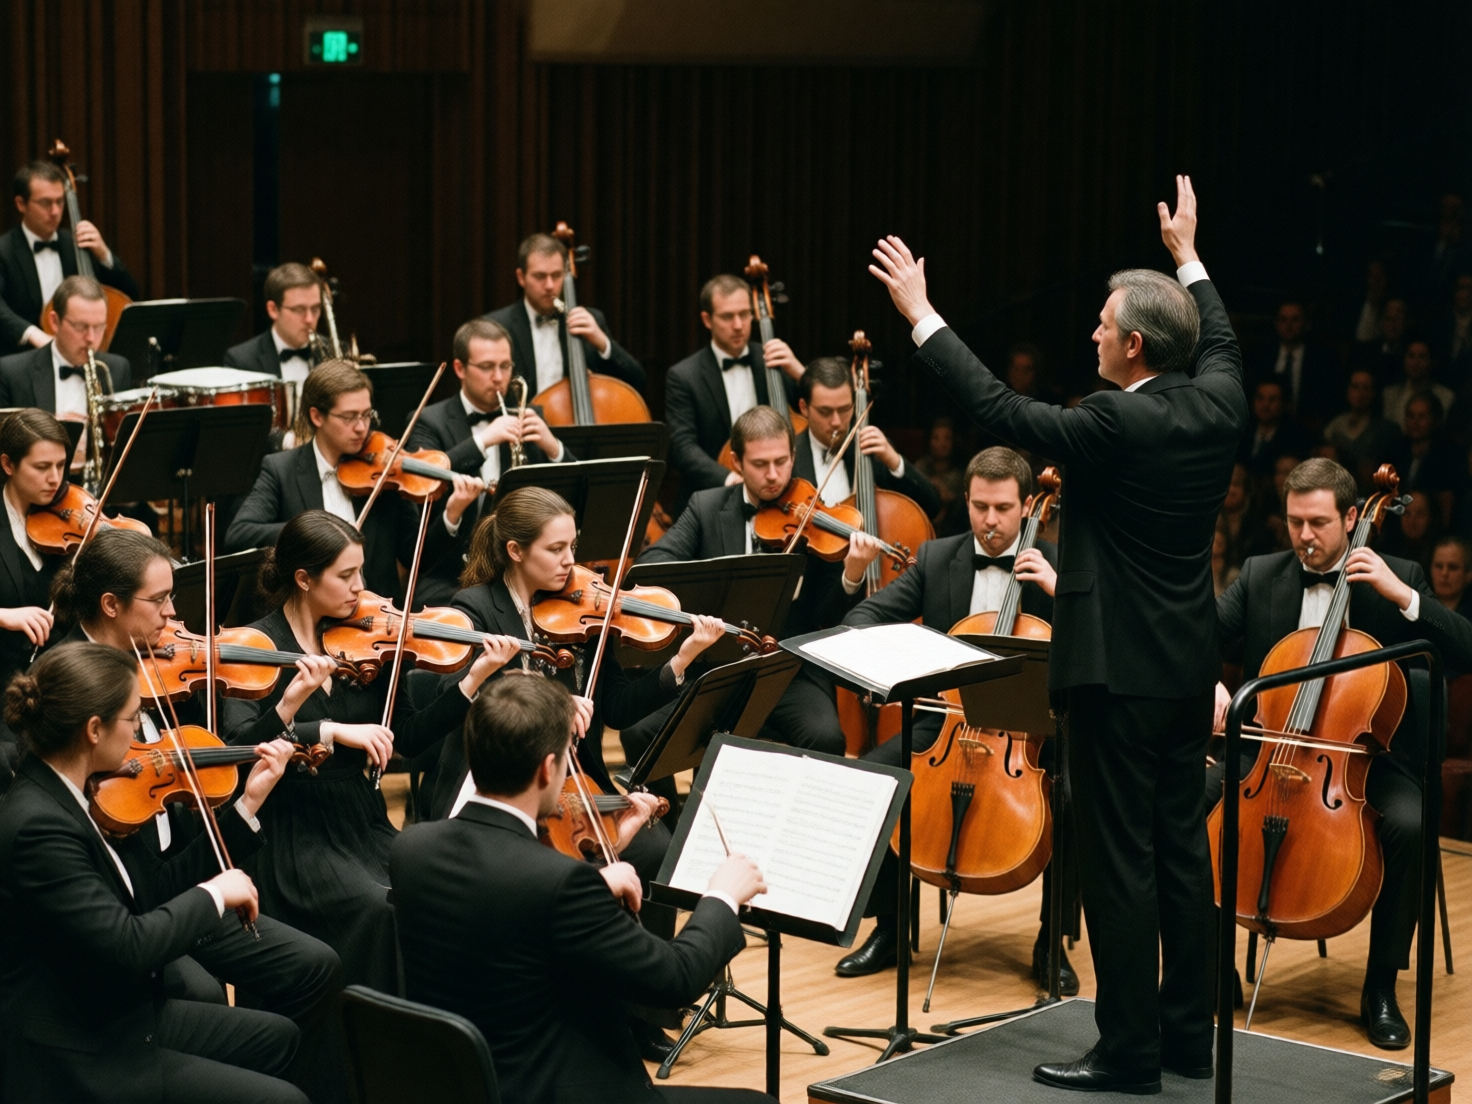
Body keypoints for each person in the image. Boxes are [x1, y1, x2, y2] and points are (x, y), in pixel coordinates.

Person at [871, 175, 1244, 1093]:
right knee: (1182, 857)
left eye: (1101, 326)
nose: (1088, 336)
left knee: (1121, 868)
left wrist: (923, 316)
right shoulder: (1222, 399)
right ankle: (1190, 1041)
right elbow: (1224, 336)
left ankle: (1128, 1055)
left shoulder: (1114, 419)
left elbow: (1003, 412)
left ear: (1132, 345)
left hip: (1113, 672)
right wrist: (1189, 255)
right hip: (1186, 668)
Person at [49, 525, 349, 1101]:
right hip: (135, 904)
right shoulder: (71, 689)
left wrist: (281, 716)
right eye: (159, 600)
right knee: (206, 995)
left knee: (317, 966)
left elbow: (196, 768)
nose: (173, 616)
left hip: (183, 873)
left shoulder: (153, 665)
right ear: (111, 605)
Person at [392, 673, 776, 1104]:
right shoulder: (557, 884)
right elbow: (675, 977)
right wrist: (721, 897)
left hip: (468, 1086)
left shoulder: (411, 849)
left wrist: (600, 859)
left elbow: (505, 899)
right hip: (558, 1089)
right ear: (547, 768)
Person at [1210, 458, 1472, 1049]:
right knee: (1189, 799)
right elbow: (1193, 631)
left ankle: (1379, 986)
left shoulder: (1395, 574)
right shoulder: (1260, 575)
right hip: (1274, 755)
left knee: (1409, 823)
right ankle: (1213, 970)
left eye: (1319, 523)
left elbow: (1463, 650)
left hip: (1367, 764)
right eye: (1295, 522)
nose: (1304, 537)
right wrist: (1213, 684)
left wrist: (1403, 595)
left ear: (1353, 517)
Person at [0, 643, 308, 1102]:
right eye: (131, 719)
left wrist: (248, 803)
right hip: (79, 1046)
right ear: (93, 730)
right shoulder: (38, 826)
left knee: (280, 1036)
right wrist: (216, 895)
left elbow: (155, 890)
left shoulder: (86, 790)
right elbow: (129, 945)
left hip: (115, 1012)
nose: (140, 734)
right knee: (284, 1100)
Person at [222, 510, 515, 990]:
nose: (362, 586)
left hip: (361, 817)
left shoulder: (367, 638)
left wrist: (473, 678)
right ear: (303, 578)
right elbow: (239, 751)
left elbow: (412, 736)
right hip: (292, 832)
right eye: (345, 575)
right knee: (379, 909)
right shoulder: (251, 646)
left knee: (435, 898)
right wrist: (321, 725)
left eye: (361, 571)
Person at [830, 447, 1075, 993]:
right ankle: (891, 928)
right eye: (980, 506)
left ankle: (1050, 940)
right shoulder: (938, 559)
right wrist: (912, 655)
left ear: (1026, 506)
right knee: (872, 780)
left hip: (1033, 732)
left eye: (1004, 509)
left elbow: (1102, 642)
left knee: (1074, 801)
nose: (991, 521)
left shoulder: (1062, 561)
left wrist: (1060, 592)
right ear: (965, 501)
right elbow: (864, 617)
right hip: (948, 723)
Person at [638, 405, 885, 757]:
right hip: (715, 666)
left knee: (827, 738)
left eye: (781, 462)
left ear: (793, 456)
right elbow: (652, 564)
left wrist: (853, 572)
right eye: (759, 464)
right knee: (639, 733)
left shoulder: (816, 515)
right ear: (737, 462)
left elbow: (826, 615)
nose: (773, 475)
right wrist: (711, 586)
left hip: (788, 669)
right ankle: (662, 811)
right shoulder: (705, 508)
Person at [225, 358, 482, 600]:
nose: (362, 427)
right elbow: (240, 534)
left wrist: (451, 514)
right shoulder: (281, 469)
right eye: (349, 417)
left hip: (378, 617)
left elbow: (416, 557)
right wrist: (315, 533)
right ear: (317, 416)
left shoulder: (386, 470)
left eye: (367, 414)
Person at [406, 317, 572, 603]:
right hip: (453, 573)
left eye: (505, 366)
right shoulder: (427, 421)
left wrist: (552, 445)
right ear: (460, 368)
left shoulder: (527, 415)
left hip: (523, 570)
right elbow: (426, 475)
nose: (498, 377)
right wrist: (482, 441)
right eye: (486, 367)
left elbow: (569, 490)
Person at [664, 273, 805, 510]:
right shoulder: (683, 376)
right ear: (707, 320)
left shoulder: (772, 361)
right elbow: (682, 446)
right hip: (711, 499)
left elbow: (816, 411)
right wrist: (731, 479)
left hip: (780, 500)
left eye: (744, 314)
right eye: (727, 317)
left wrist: (799, 372)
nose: (738, 325)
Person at [481, 232, 645, 398]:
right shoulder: (496, 328)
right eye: (540, 276)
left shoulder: (590, 322)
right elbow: (483, 396)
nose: (549, 285)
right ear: (521, 277)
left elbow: (637, 381)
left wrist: (603, 343)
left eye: (557, 275)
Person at [0, 160, 140, 350]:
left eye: (60, 201)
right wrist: (33, 333)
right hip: (27, 359)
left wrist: (103, 254)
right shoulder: (4, 250)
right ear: (20, 204)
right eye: (45, 203)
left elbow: (130, 295)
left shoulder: (77, 243)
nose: (56, 211)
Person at [792, 357, 941, 517]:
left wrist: (894, 462)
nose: (836, 422)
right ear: (804, 408)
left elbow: (932, 505)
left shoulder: (870, 451)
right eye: (825, 412)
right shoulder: (786, 455)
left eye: (844, 410)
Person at [0, 410, 68, 696]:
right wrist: (3, 615)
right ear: (8, 464)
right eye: (41, 467)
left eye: (61, 465)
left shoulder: (67, 518)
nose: (55, 479)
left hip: (62, 679)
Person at [0, 275, 131, 416]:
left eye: (99, 327)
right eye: (81, 326)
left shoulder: (117, 369)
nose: (91, 338)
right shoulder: (12, 373)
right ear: (55, 322)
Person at [223, 262, 324, 393]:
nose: (309, 319)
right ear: (273, 310)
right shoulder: (241, 361)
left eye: (315, 308)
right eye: (299, 309)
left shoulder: (333, 352)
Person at [1251, 299, 1340, 425]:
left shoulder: (1323, 359)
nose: (1288, 326)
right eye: (1283, 319)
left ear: (1306, 324)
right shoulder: (1262, 356)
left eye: (1295, 320)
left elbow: (1329, 402)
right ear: (1277, 324)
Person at [1321, 369, 1400, 491]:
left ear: (1373, 393)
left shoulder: (1386, 430)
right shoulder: (1335, 426)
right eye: (1355, 387)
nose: (1360, 393)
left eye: (1365, 388)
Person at [1238, 378, 1311, 484]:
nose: (1265, 405)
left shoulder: (1296, 436)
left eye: (1272, 399)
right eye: (1260, 398)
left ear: (1285, 404)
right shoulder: (1242, 430)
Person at [1382, 340, 1454, 427]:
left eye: (1422, 357)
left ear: (1432, 362)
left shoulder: (1445, 397)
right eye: (1411, 356)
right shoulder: (1390, 394)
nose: (1415, 363)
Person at [914, 416, 967, 534]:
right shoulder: (920, 466)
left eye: (947, 438)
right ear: (929, 441)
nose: (942, 444)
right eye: (936, 438)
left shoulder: (961, 473)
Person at [1430, 535, 1472, 617]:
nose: (1444, 573)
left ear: (1468, 574)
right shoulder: (1419, 612)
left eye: (1453, 567)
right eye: (1439, 566)